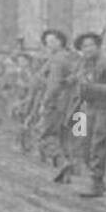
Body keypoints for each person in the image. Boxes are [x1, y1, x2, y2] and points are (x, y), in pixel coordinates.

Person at [72, 31, 106, 197]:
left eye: (90, 45)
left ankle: (96, 181)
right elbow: (79, 80)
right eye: (83, 46)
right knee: (84, 143)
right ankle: (96, 180)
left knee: (99, 143)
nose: (87, 49)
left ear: (98, 46)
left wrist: (93, 87)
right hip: (87, 107)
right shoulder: (83, 63)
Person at [36, 28, 77, 181]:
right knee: (67, 137)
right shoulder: (73, 58)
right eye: (47, 43)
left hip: (57, 103)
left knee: (46, 136)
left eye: (51, 42)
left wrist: (45, 103)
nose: (49, 45)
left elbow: (53, 85)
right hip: (76, 104)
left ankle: (61, 162)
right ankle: (70, 171)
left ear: (60, 42)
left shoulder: (57, 60)